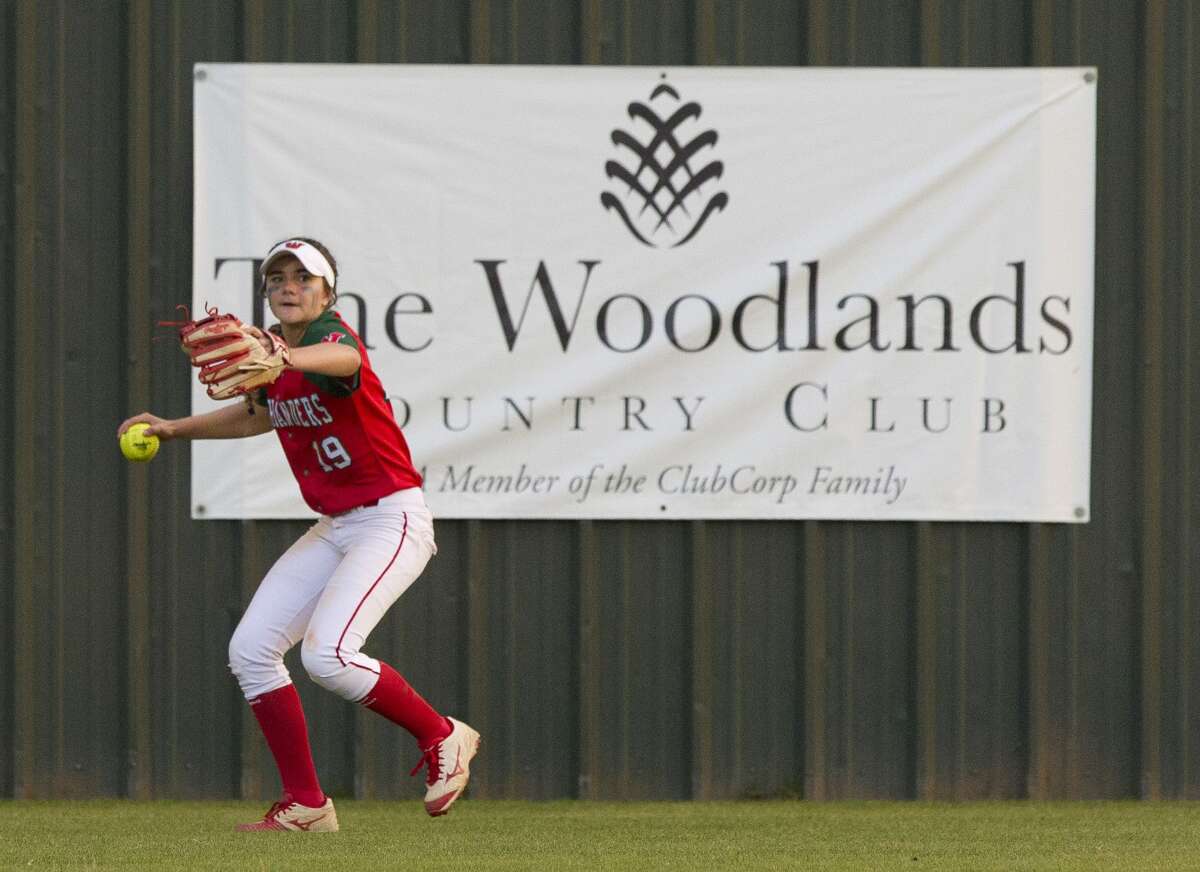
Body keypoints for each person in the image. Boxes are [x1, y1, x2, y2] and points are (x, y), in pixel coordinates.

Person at [118, 237, 479, 832]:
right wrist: (173, 428)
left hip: (390, 517)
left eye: (303, 278)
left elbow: (347, 364)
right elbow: (259, 414)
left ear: (328, 292)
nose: (289, 286)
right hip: (337, 524)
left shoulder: (327, 340)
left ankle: (444, 736)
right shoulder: (274, 354)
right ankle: (307, 803)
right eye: (278, 278)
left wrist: (286, 358)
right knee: (252, 652)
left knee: (329, 656)